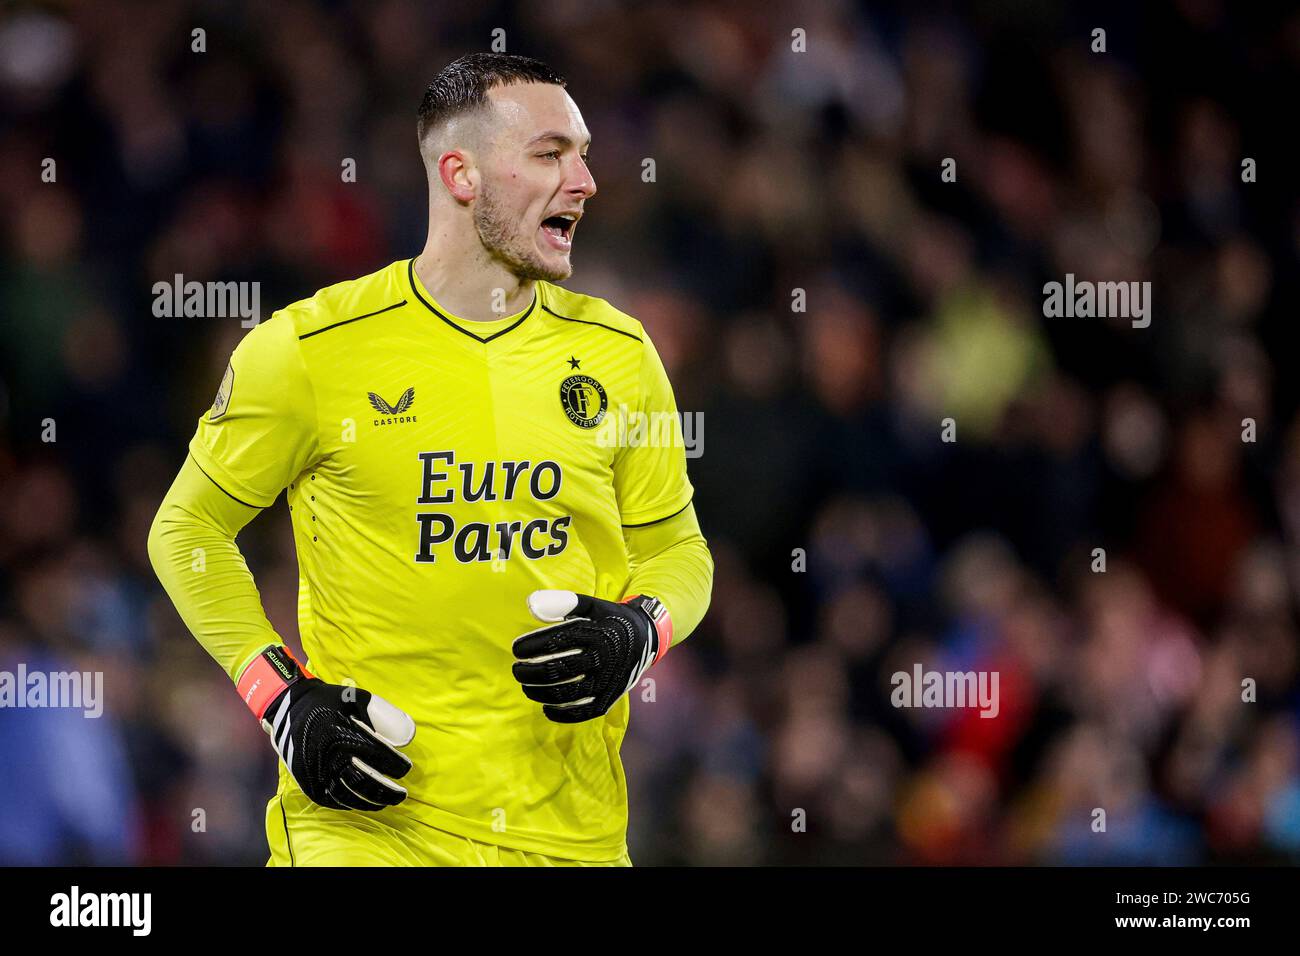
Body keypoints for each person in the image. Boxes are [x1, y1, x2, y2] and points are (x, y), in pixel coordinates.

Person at [148, 52, 713, 867]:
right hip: (367, 830)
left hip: (572, 836)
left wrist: (641, 629)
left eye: (584, 155)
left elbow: (678, 550)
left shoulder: (620, 355)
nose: (585, 182)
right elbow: (187, 529)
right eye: (550, 154)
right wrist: (280, 697)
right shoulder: (310, 349)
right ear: (461, 174)